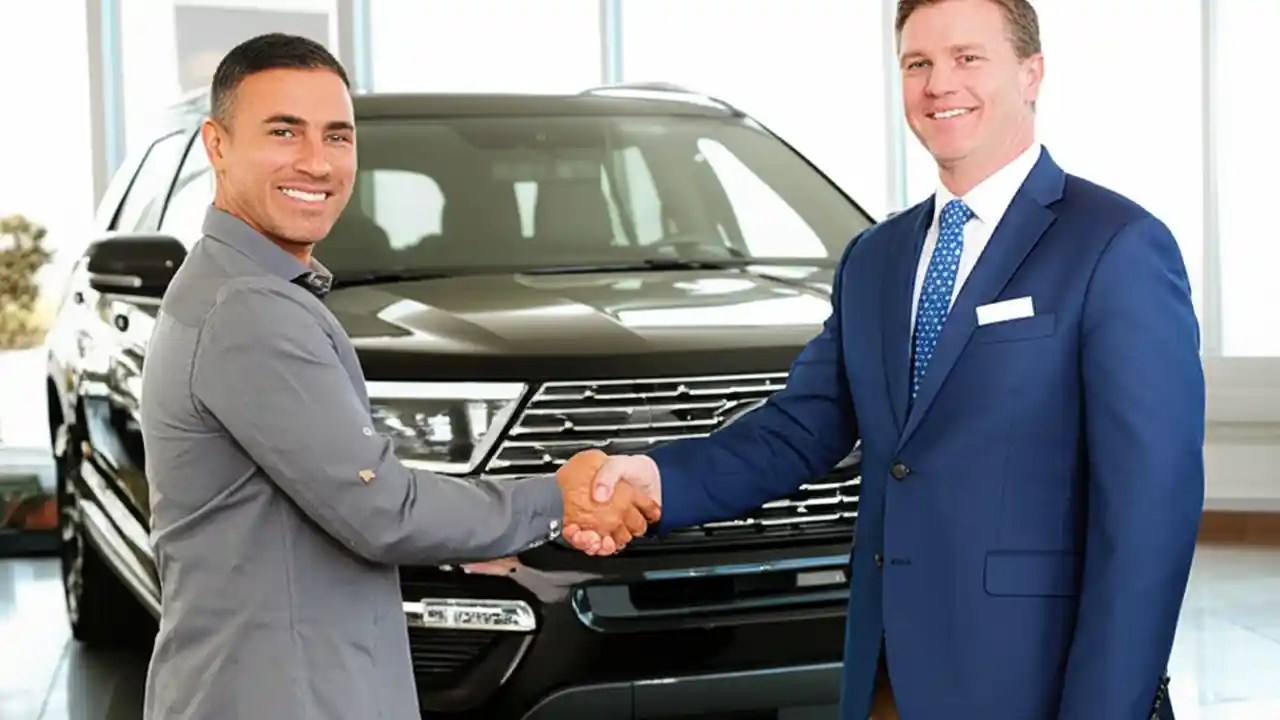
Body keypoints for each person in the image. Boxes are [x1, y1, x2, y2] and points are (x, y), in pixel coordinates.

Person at [564, 0, 1204, 717]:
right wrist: (652, 475)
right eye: (918, 63)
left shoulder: (1116, 246)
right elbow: (799, 427)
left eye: (967, 58)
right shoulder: (876, 258)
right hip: (889, 674)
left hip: (1036, 679)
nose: (939, 85)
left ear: (1032, 73)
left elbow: (1151, 514)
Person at [137, 34, 658, 720]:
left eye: (338, 136)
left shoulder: (243, 287)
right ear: (218, 144)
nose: (317, 162)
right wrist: (557, 498)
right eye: (284, 132)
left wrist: (490, 530)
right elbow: (382, 511)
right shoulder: (250, 309)